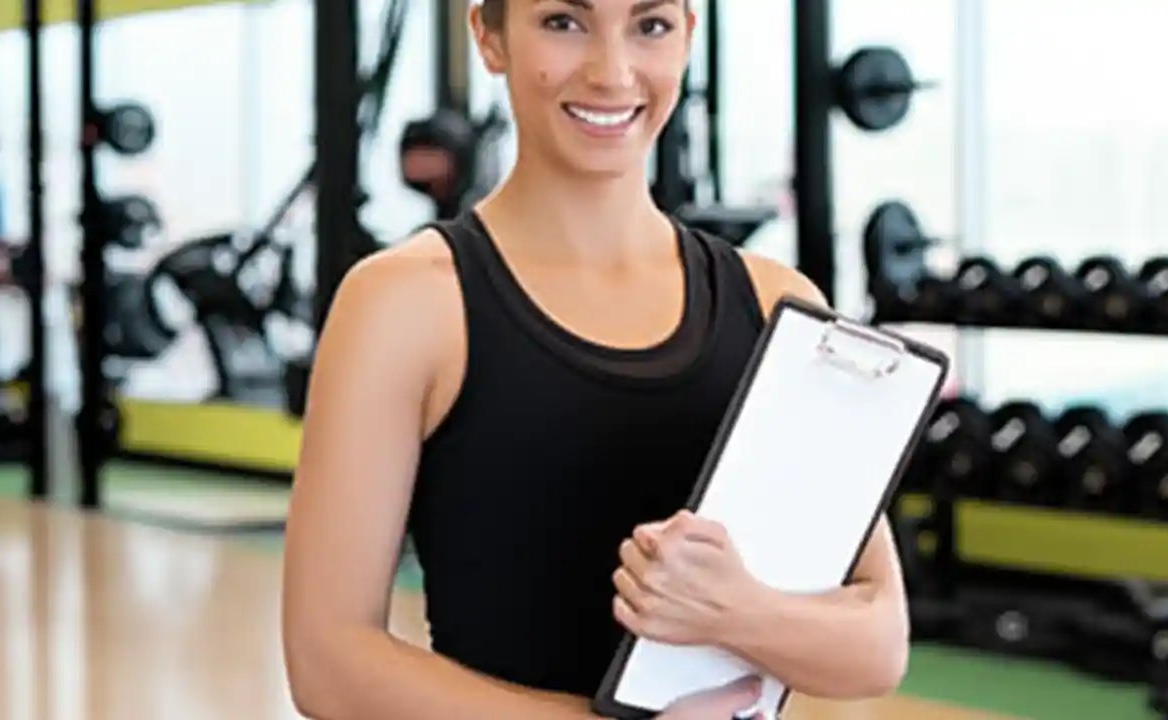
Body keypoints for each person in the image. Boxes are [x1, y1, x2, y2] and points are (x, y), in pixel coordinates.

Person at [280, 2, 910, 719]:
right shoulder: (404, 302)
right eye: (563, 21)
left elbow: (876, 645)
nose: (612, 73)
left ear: (686, 41)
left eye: (650, 26)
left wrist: (735, 610)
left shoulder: (777, 306)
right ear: (489, 37)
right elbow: (326, 662)